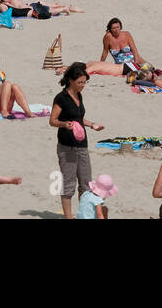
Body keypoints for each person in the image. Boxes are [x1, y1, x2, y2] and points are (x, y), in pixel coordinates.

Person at [51, 62, 103, 219]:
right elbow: (52, 120)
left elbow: (79, 118)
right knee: (68, 184)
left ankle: (83, 214)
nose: (83, 85)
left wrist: (92, 124)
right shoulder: (61, 98)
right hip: (67, 147)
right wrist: (64, 124)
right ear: (71, 81)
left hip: (82, 145)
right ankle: (69, 217)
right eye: (80, 82)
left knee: (86, 184)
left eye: (84, 82)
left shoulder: (79, 95)